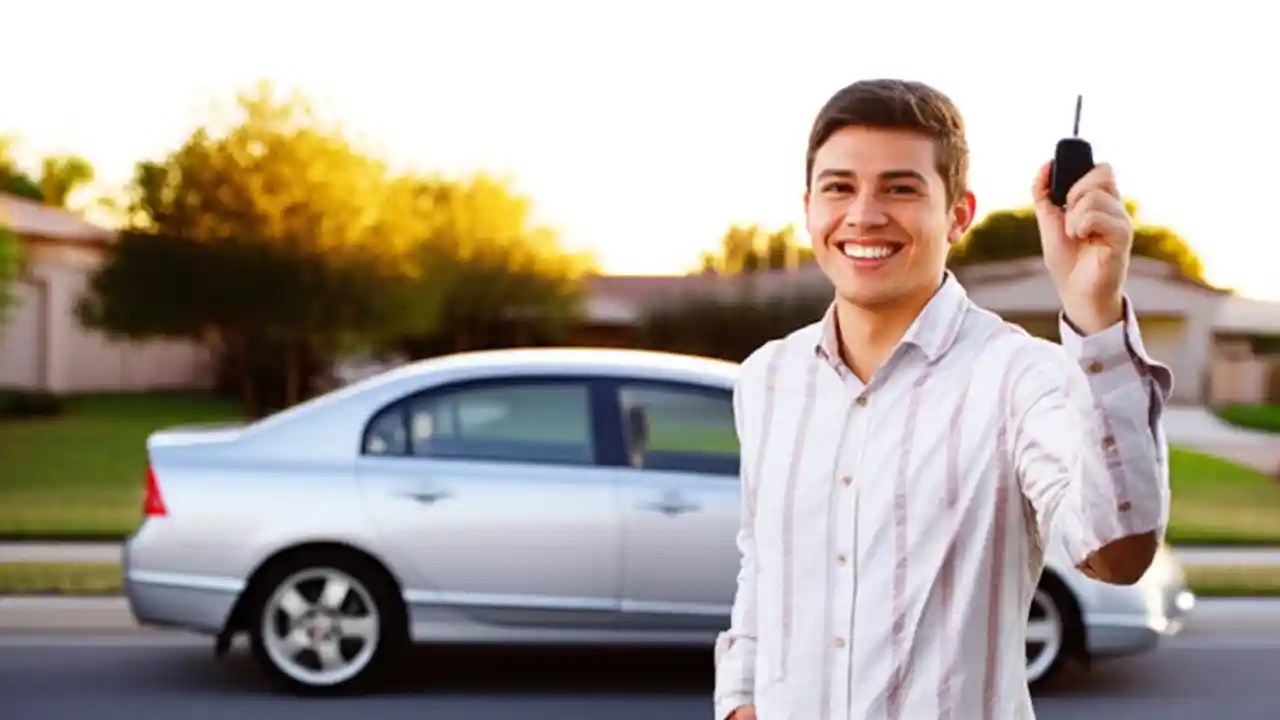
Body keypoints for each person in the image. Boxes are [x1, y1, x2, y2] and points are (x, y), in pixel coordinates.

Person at [712, 78, 1173, 720]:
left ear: (958, 214)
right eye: (839, 187)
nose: (864, 215)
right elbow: (763, 570)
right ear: (809, 206)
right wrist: (739, 702)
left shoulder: (1021, 376)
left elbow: (1118, 554)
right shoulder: (768, 377)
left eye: (901, 188)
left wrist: (1094, 316)